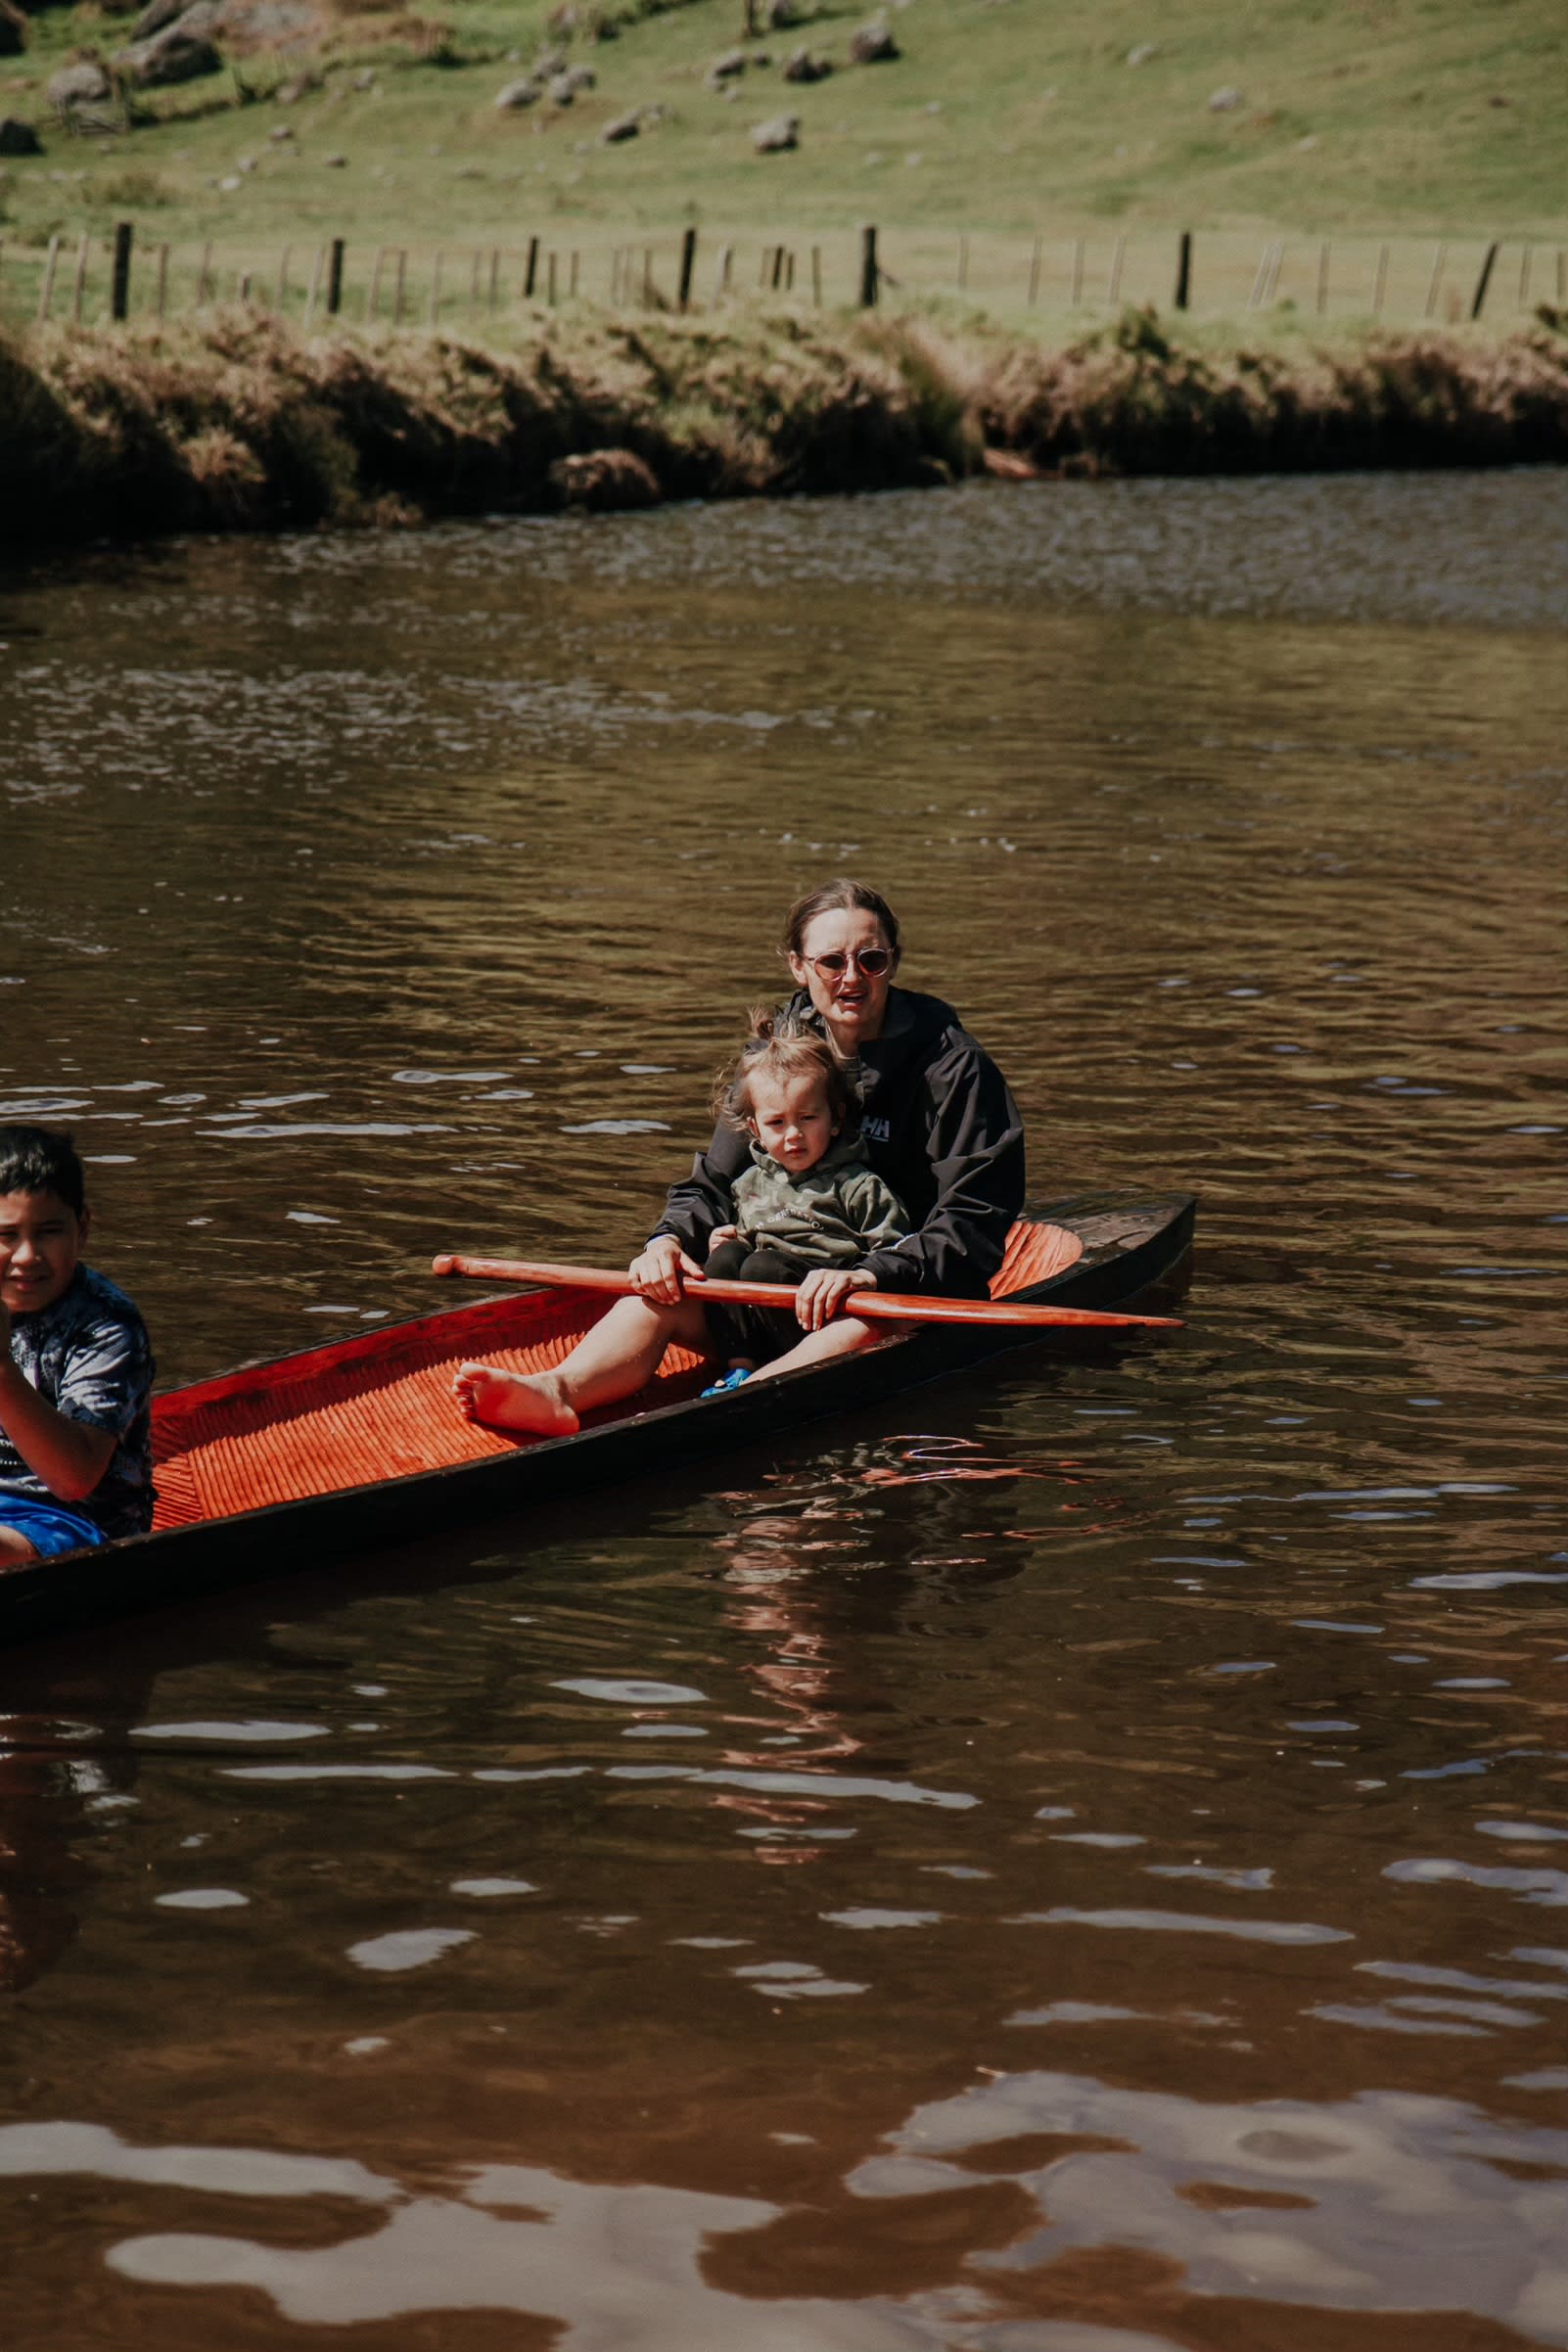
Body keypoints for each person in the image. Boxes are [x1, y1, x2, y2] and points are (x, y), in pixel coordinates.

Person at [454, 878, 1025, 1437]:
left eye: (870, 959)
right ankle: (558, 1390)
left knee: (857, 1326)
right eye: (831, 961)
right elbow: (714, 1181)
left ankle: (741, 1407)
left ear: (892, 964)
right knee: (660, 1292)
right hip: (776, 1285)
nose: (851, 978)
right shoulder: (777, 1058)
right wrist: (667, 1242)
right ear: (799, 967)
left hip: (890, 1293)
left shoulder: (956, 1069)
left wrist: (870, 1272)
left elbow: (972, 1225)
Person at [698, 1012, 911, 1392]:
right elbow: (749, 1238)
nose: (793, 1135)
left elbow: (894, 1249)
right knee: (726, 1258)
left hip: (825, 1310)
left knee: (764, 1266)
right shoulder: (749, 1184)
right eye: (777, 1123)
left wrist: (863, 1276)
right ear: (755, 1130)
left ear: (835, 1118)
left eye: (808, 1118)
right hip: (765, 1314)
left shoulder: (858, 1185)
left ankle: (791, 1364)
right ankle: (740, 1364)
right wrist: (725, 1242)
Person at [0, 1127, 155, 1565]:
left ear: (82, 1229)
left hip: (73, 1521)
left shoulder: (105, 1325)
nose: (27, 1255)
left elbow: (73, 1481)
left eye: (48, 1232)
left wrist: (1, 1369)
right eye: (6, 1235)